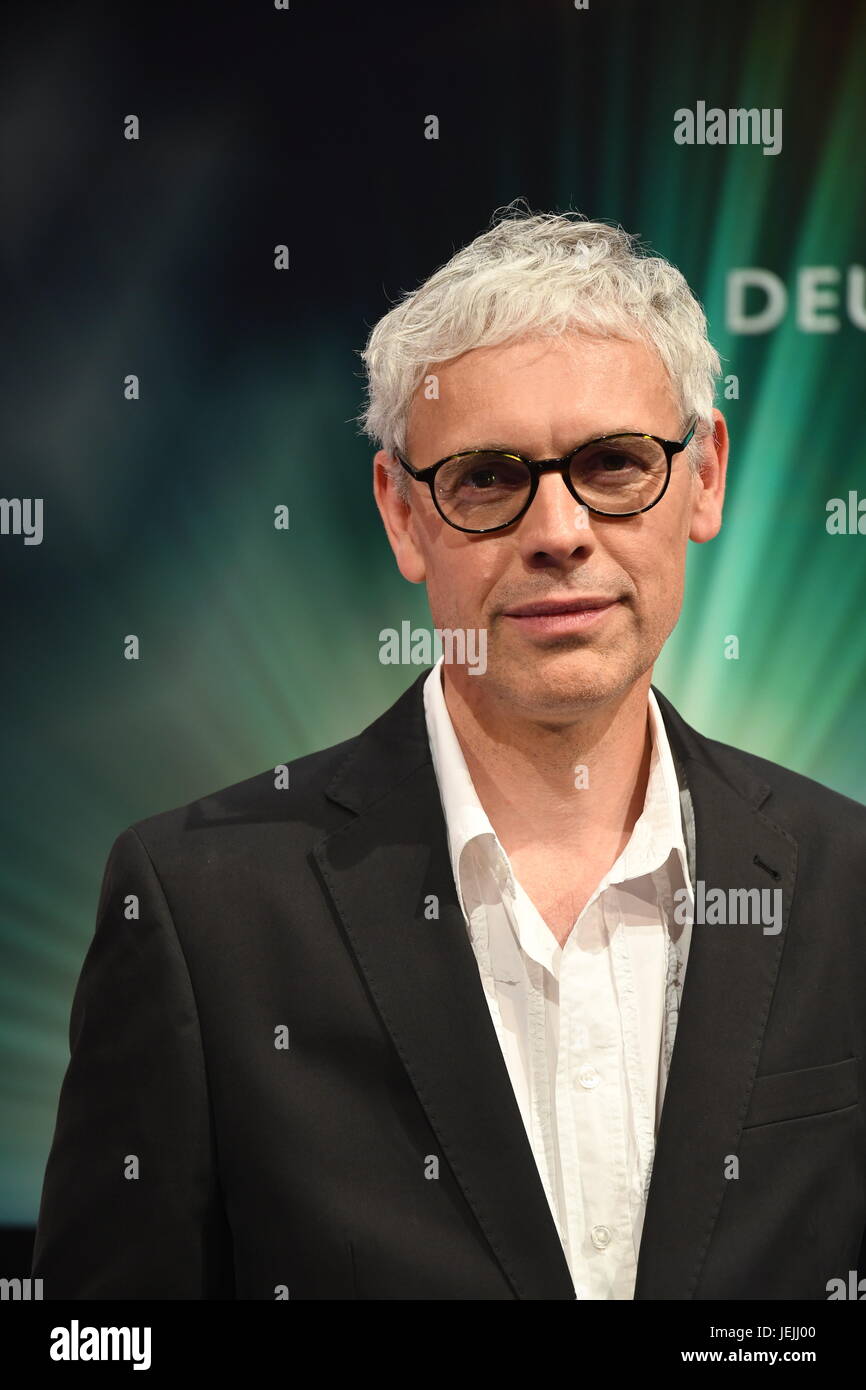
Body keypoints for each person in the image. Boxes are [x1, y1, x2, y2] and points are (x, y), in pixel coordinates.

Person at [32, 207, 866, 1300]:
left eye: (614, 463)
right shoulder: (199, 913)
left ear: (702, 477)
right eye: (485, 478)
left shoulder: (846, 884)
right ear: (401, 512)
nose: (558, 530)